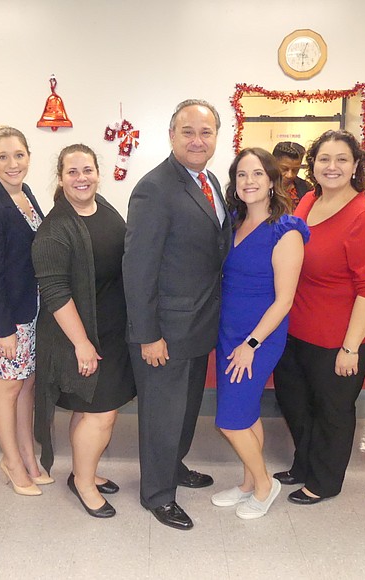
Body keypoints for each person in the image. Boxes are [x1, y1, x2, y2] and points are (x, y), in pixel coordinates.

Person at [123, 99, 232, 531]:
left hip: (198, 323)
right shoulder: (155, 187)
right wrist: (148, 334)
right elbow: (139, 267)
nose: (197, 140)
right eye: (188, 131)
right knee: (161, 414)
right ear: (171, 136)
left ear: (216, 138)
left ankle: (174, 466)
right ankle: (157, 493)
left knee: (185, 410)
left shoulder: (209, 182)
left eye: (206, 132)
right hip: (164, 331)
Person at [272, 130, 365, 504]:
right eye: (324, 158)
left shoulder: (364, 216)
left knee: (332, 409)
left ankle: (324, 481)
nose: (332, 166)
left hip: (343, 334)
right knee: (295, 401)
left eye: (342, 159)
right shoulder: (308, 199)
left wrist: (350, 347)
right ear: (314, 165)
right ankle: (303, 462)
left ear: (356, 165)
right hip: (299, 327)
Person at [32, 144, 136, 518]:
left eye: (87, 170)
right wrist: (81, 344)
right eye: (72, 172)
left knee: (90, 410)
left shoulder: (104, 207)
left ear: (97, 173)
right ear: (60, 178)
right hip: (78, 335)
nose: (82, 178)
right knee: (99, 414)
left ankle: (82, 471)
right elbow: (55, 292)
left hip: (110, 330)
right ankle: (85, 485)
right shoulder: (55, 229)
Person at [211, 148, 308, 520]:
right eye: (241, 175)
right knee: (247, 414)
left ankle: (266, 485)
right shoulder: (233, 223)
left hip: (259, 336)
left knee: (230, 420)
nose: (248, 182)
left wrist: (252, 344)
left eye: (256, 174)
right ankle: (249, 483)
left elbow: (284, 300)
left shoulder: (286, 230)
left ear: (272, 180)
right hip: (228, 332)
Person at [0, 126, 50, 496]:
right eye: (2, 157)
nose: (12, 163)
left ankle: (28, 455)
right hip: (4, 318)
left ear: (28, 157)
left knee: (26, 386)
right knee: (7, 389)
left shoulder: (25, 195)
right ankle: (12, 462)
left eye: (18, 155)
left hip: (29, 309)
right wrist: (5, 329)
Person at [272, 141, 311, 208]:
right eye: (284, 169)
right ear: (273, 164)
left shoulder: (306, 188)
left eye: (295, 170)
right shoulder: (261, 187)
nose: (290, 175)